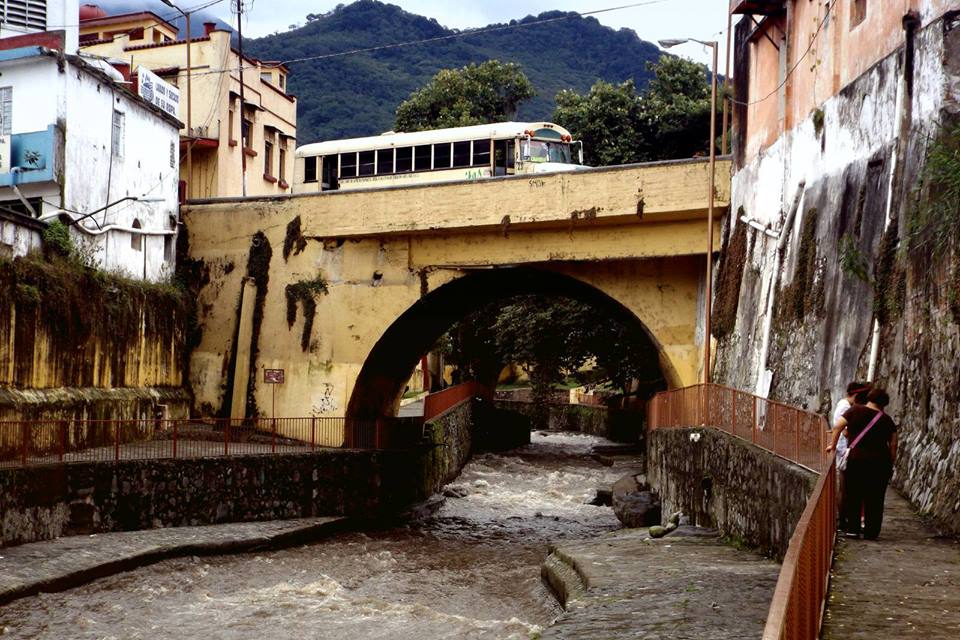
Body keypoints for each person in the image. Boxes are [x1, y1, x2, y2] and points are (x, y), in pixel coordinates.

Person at [827, 387, 897, 539]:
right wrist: (890, 463)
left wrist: (832, 446)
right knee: (876, 498)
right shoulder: (887, 420)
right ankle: (872, 532)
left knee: (854, 494)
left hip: (856, 460)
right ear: (883, 404)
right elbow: (893, 445)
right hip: (879, 463)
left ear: (869, 398)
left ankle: (853, 529)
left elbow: (838, 426)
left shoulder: (855, 410)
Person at [830, 382, 869, 531]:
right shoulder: (846, 407)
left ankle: (844, 520)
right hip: (845, 450)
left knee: (845, 488)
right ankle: (844, 520)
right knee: (845, 488)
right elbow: (843, 430)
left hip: (844, 450)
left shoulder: (843, 404)